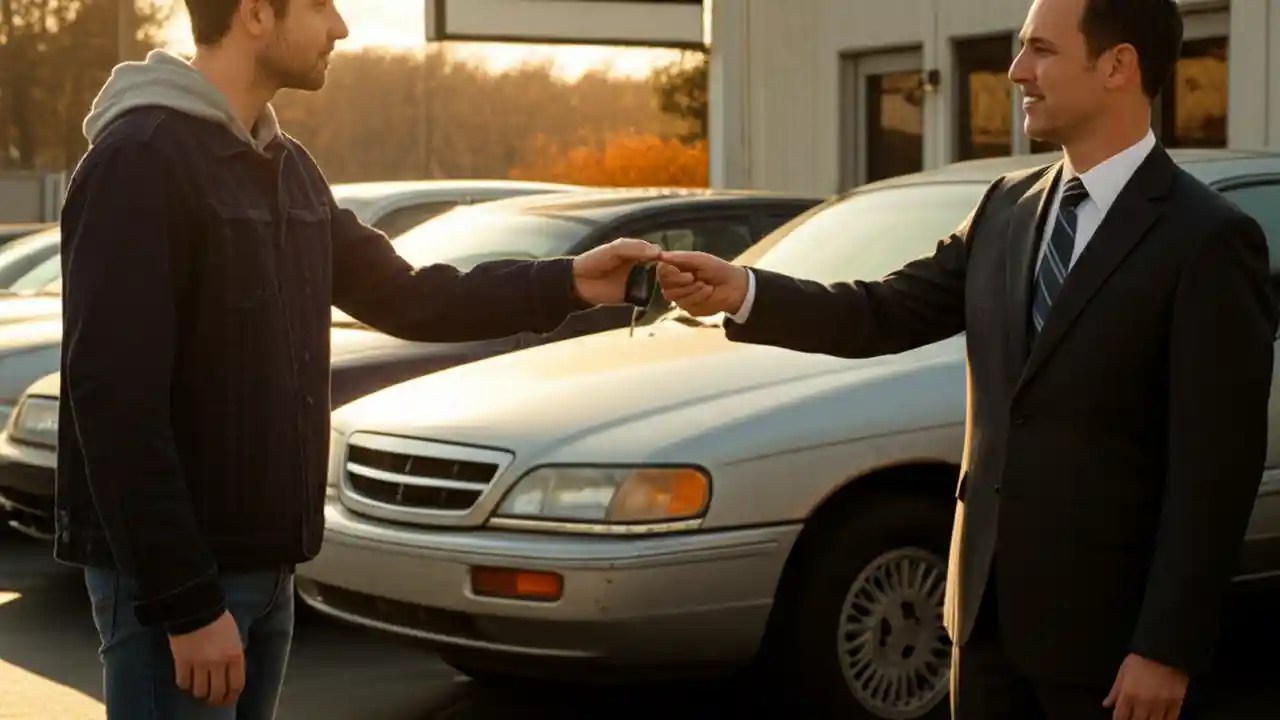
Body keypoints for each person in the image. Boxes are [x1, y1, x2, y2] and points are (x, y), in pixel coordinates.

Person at [658, 0, 1276, 718]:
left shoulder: (1208, 240)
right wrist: (745, 291)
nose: (1017, 72)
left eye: (1040, 50)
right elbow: (881, 311)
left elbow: (1216, 473)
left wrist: (1168, 646)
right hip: (981, 626)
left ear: (1118, 65)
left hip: (1113, 650)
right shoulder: (1006, 208)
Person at [56, 1, 660, 718]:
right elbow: (113, 401)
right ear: (255, 13)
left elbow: (408, 296)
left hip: (264, 568)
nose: (341, 27)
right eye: (320, 5)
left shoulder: (287, 168)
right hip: (184, 583)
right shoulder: (140, 161)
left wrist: (566, 282)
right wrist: (185, 603)